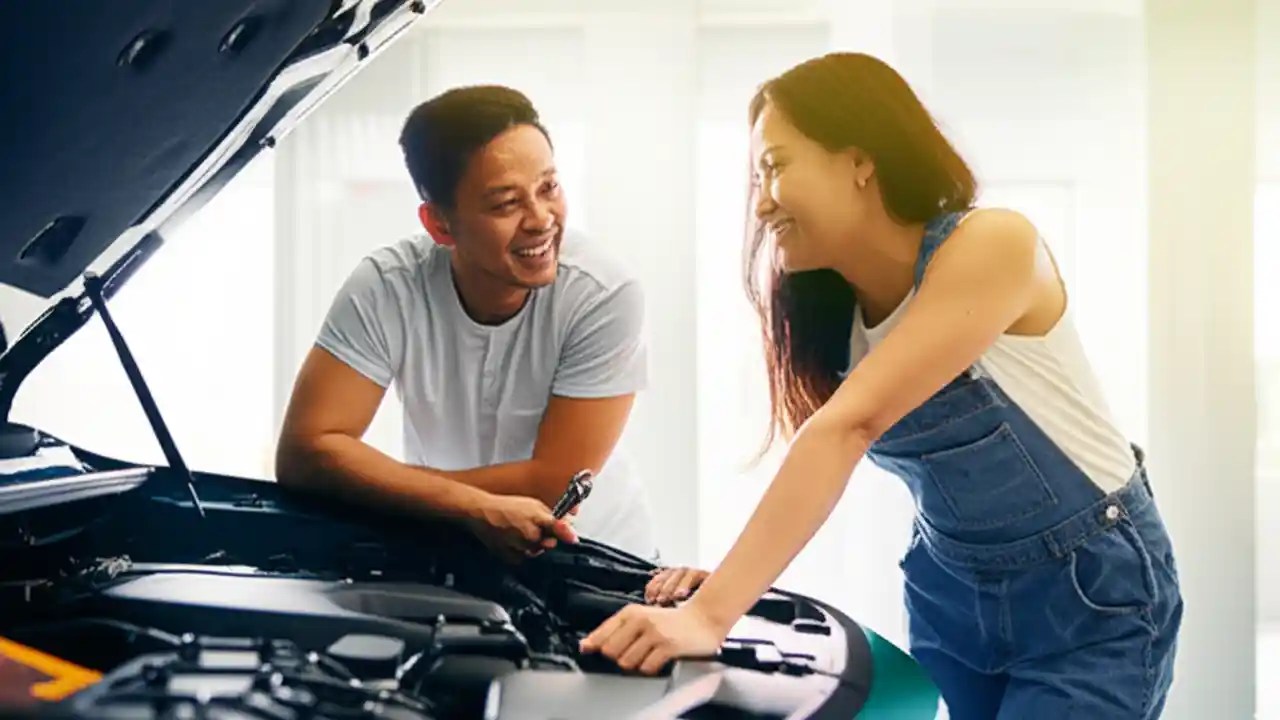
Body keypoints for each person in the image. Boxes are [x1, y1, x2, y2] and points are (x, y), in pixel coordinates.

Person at [580, 52, 1183, 719]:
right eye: (755, 177)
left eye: (775, 167)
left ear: (859, 160)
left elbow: (844, 429)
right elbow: (821, 453)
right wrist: (726, 589)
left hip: (1088, 596)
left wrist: (713, 612)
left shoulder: (995, 243)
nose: (761, 202)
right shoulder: (831, 317)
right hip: (949, 591)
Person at [275, 85, 658, 563]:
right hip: (449, 549)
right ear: (439, 224)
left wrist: (377, 482)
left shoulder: (603, 293)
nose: (541, 220)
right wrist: (472, 506)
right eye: (505, 204)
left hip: (596, 559)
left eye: (549, 188)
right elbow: (304, 454)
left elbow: (552, 483)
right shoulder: (386, 286)